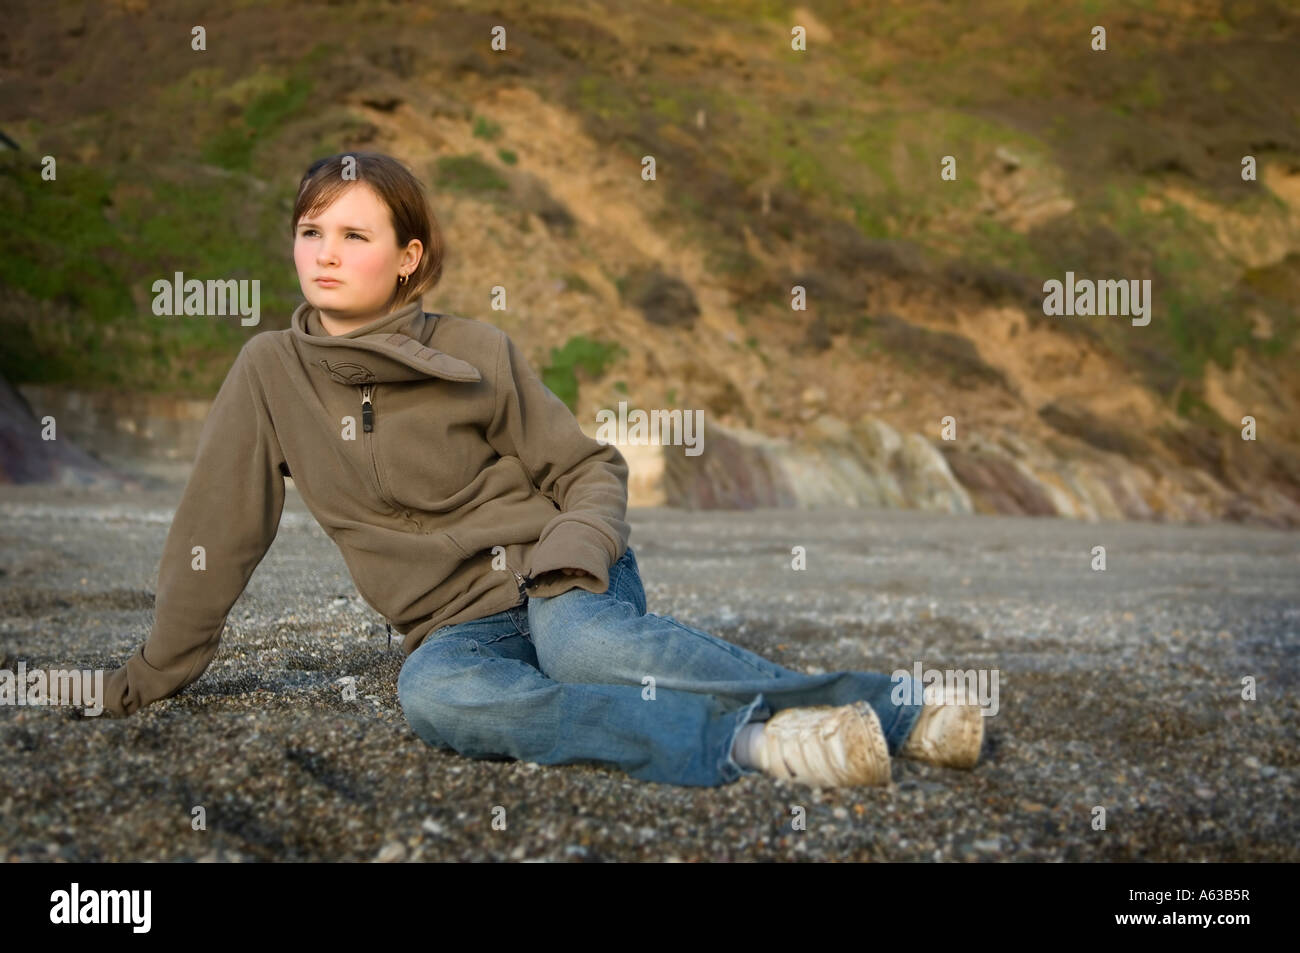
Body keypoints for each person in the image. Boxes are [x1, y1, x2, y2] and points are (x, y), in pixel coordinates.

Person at [103, 151, 985, 788]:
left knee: (585, 645)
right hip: (452, 625)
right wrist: (146, 676)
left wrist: (570, 557)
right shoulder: (268, 372)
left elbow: (589, 467)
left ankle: (896, 711)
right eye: (311, 231)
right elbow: (214, 537)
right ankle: (759, 745)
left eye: (354, 233)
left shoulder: (477, 348)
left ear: (409, 258)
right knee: (439, 701)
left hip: (559, 574)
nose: (325, 252)